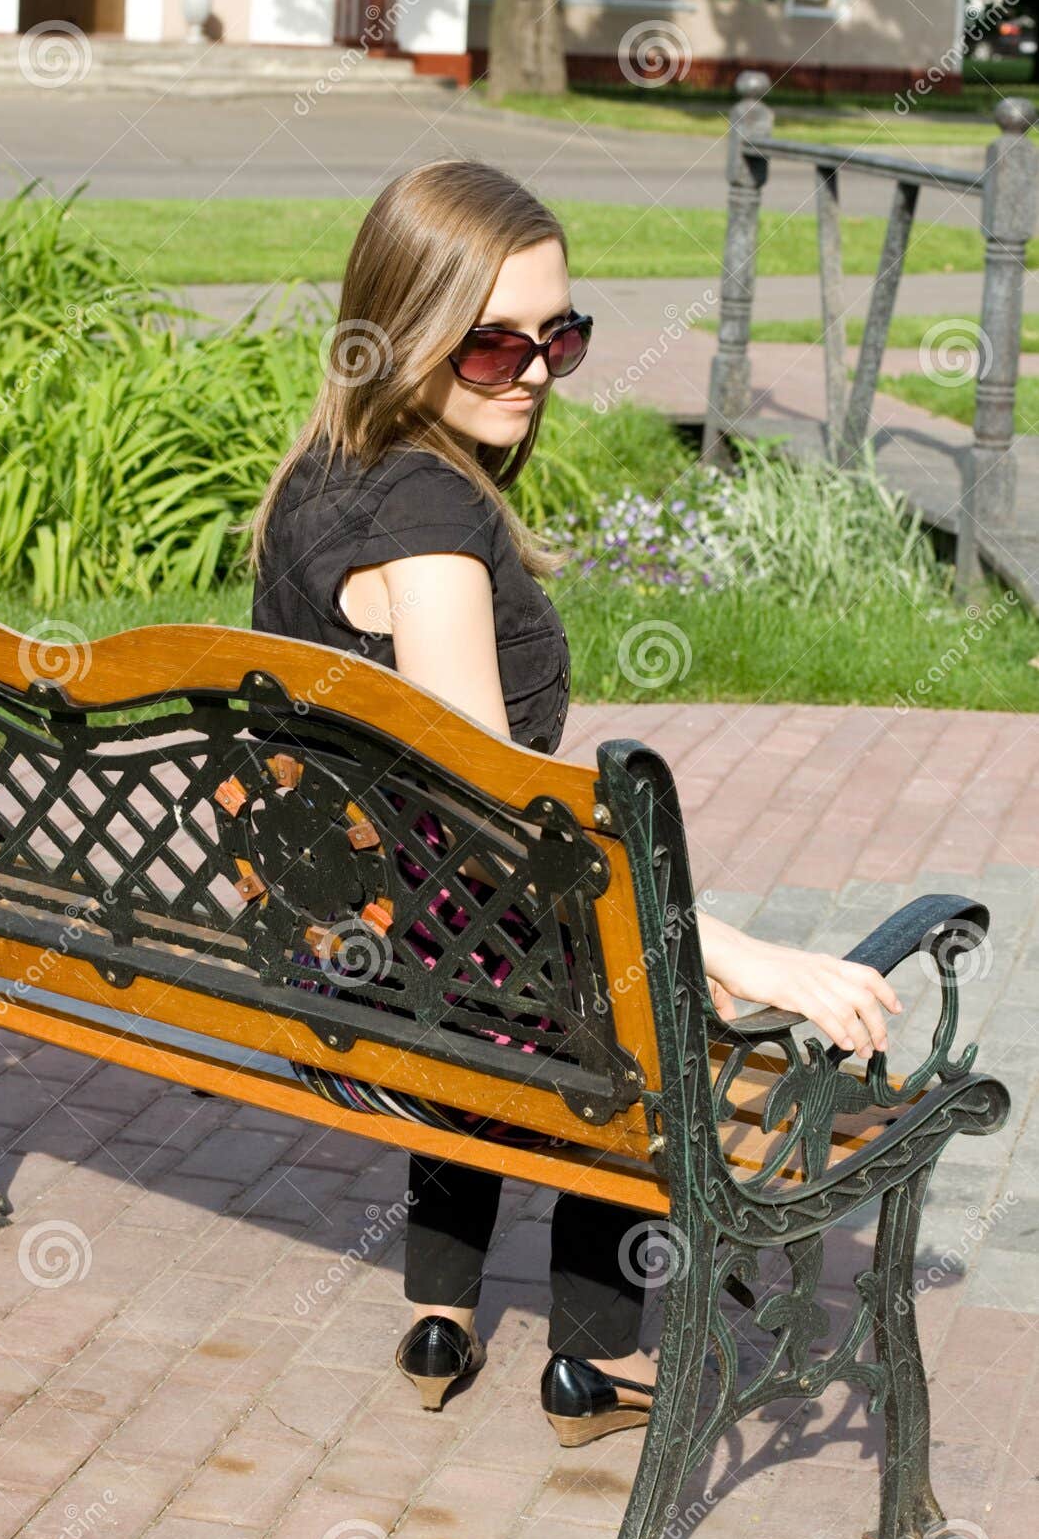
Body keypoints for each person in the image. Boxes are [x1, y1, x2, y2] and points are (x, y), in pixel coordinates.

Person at [248, 158, 903, 1446]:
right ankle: (595, 1363)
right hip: (431, 966)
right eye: (492, 348)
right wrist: (738, 952)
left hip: (340, 941)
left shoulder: (324, 475)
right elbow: (499, 822)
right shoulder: (429, 529)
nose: (536, 369)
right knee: (631, 1001)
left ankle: (442, 1318)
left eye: (562, 334)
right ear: (411, 334)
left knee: (538, 950)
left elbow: (444, 809)